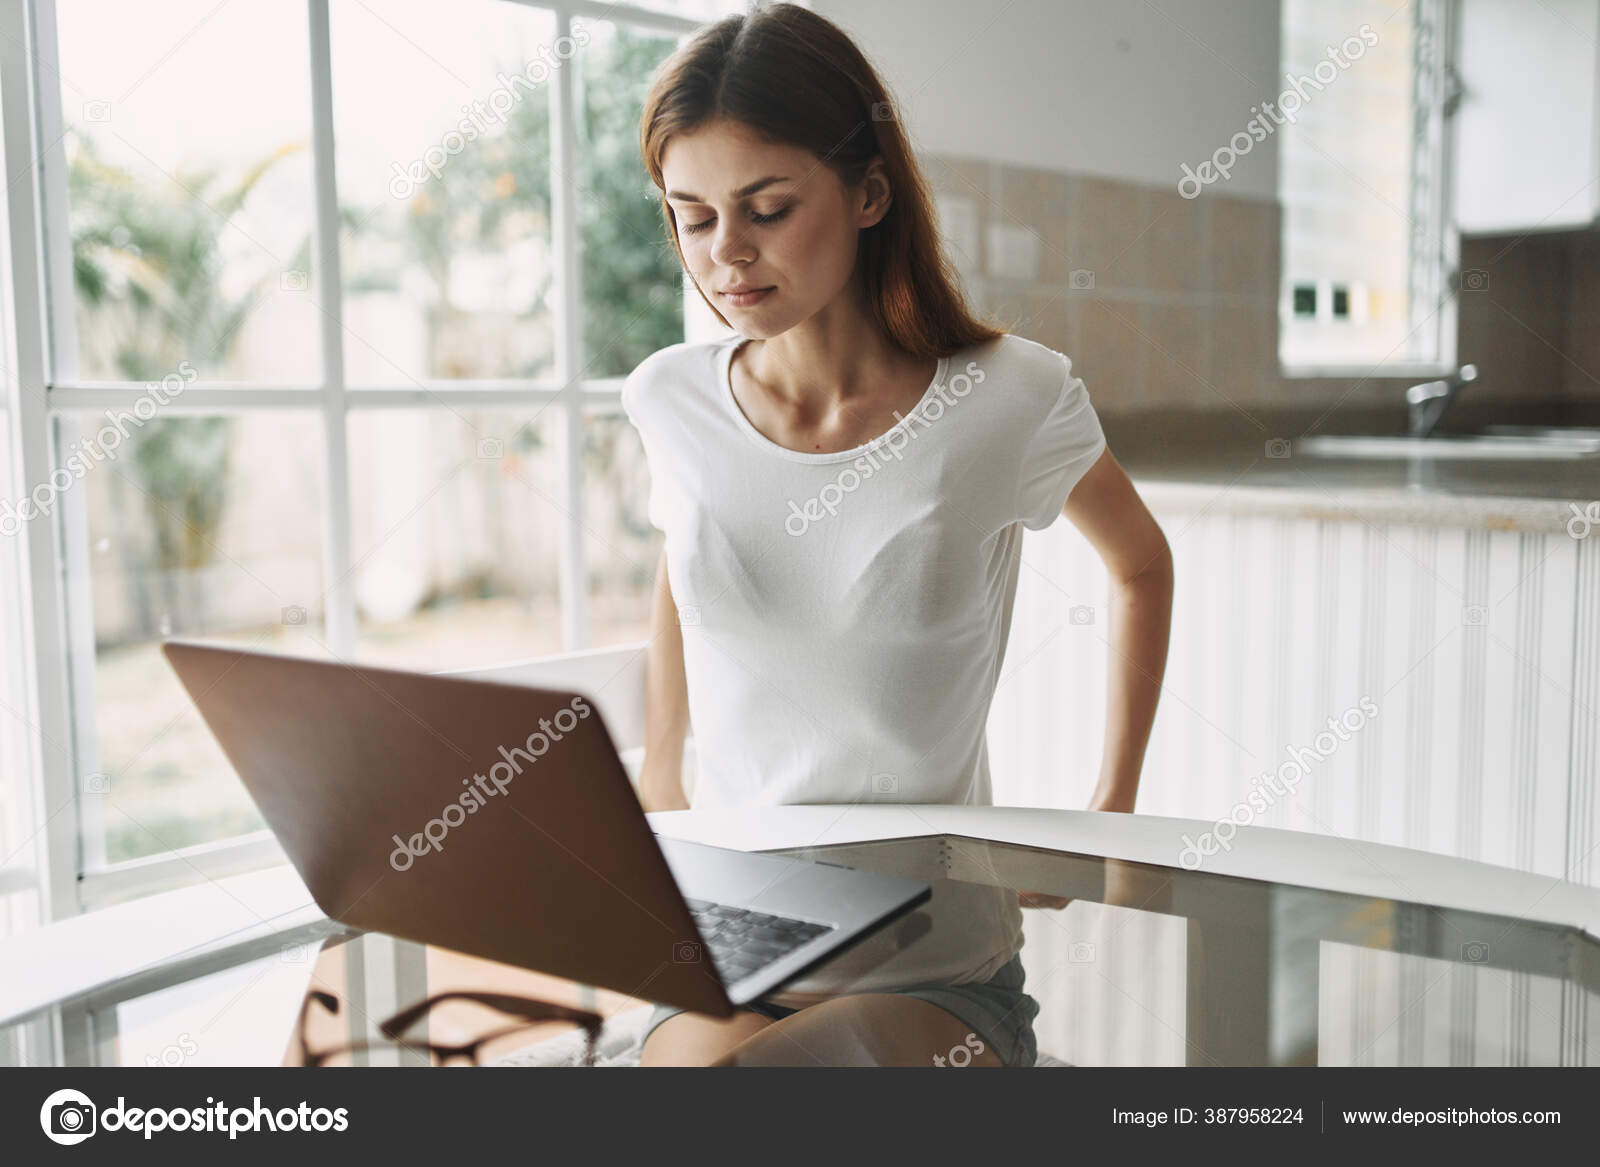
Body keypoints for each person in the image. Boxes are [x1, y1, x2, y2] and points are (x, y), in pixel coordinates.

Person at [621, 2, 1173, 1067]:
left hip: (934, 964)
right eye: (691, 216)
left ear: (869, 191)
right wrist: (660, 767)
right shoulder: (667, 399)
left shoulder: (1009, 396)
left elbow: (1141, 565)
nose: (725, 254)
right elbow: (684, 561)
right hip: (731, 941)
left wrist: (1111, 815)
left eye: (767, 208)